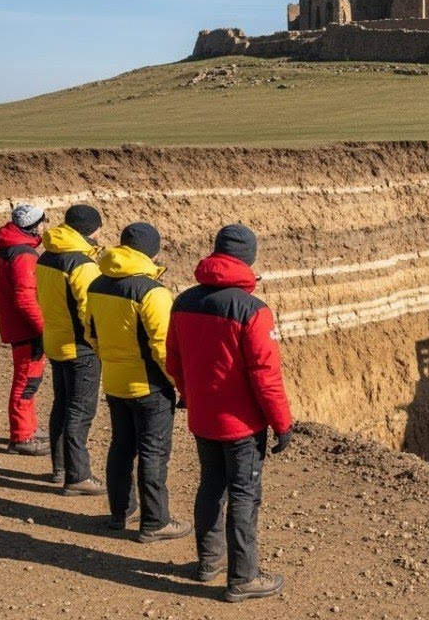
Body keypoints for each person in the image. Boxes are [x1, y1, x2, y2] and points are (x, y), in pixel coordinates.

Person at [167, 224, 292, 603]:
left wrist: (189, 395)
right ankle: (243, 578)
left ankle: (208, 563)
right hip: (241, 425)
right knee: (244, 495)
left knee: (210, 487)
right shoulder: (252, 310)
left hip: (203, 419)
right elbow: (265, 375)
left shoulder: (183, 301)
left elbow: (174, 360)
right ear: (249, 260)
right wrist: (282, 423)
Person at [85, 223, 192, 541]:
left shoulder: (96, 284)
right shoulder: (152, 292)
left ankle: (120, 513)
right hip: (149, 385)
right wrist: (182, 385)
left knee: (121, 446)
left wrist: (111, 360)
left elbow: (90, 333)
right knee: (153, 452)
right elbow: (163, 348)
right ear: (151, 251)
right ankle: (155, 522)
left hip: (114, 381)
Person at [35, 204, 106, 494]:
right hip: (80, 347)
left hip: (54, 341)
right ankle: (78, 477)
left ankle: (60, 468)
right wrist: (100, 345)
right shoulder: (81, 265)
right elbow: (89, 312)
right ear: (89, 229)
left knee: (62, 405)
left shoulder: (46, 257)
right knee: (80, 410)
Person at [0, 204, 50, 456]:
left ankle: (28, 430)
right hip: (28, 330)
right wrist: (44, 330)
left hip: (17, 327)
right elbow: (25, 299)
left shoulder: (6, 249)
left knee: (28, 381)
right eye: (44, 221)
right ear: (35, 225)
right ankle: (22, 437)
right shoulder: (25, 254)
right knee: (27, 382)